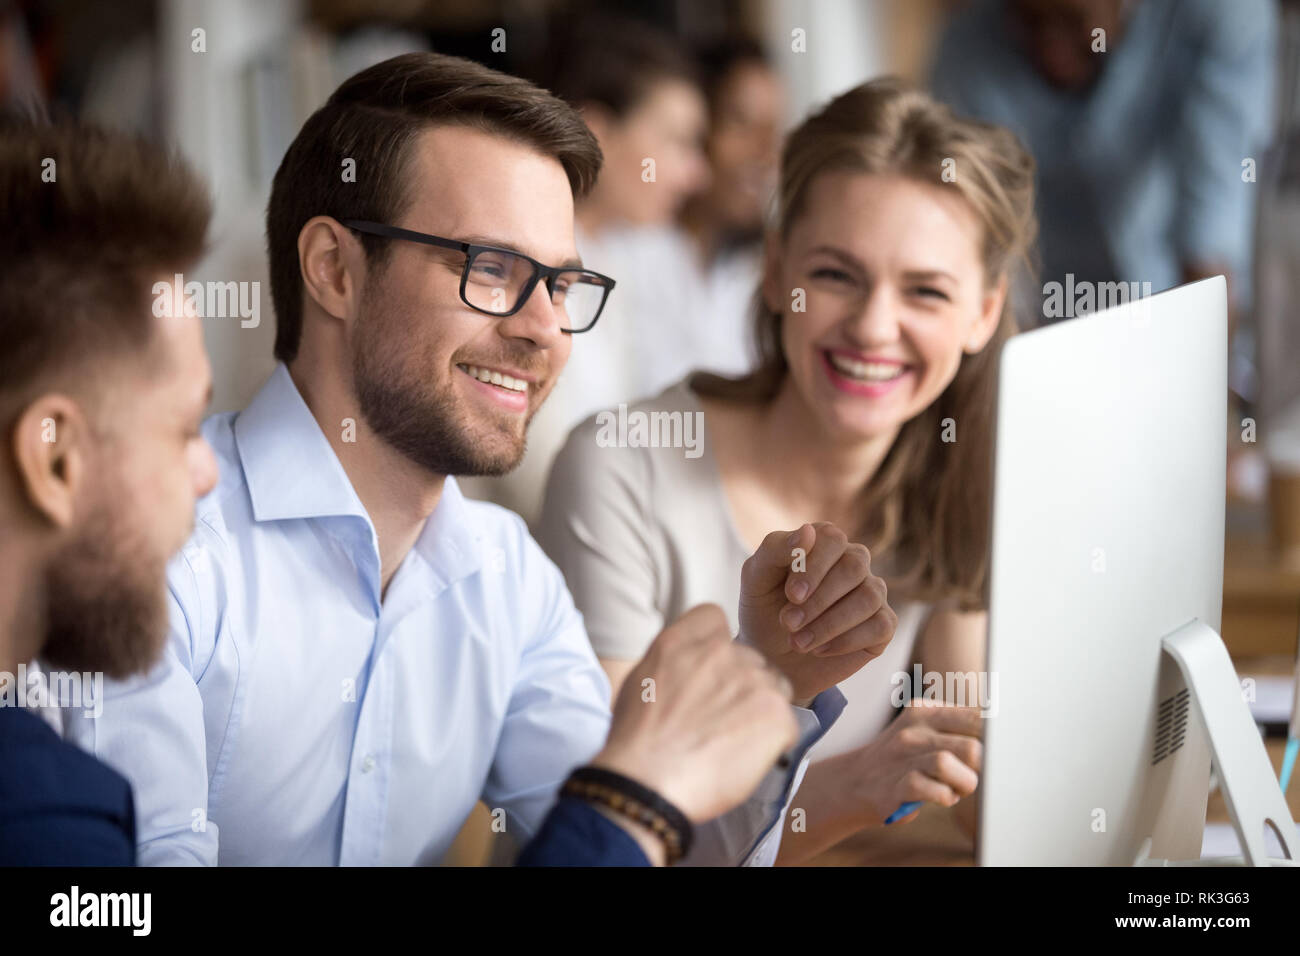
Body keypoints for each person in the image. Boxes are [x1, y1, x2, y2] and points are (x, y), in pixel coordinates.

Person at [62, 53, 897, 867]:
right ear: (333, 271)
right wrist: (633, 798)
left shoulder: (512, 584)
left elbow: (643, 847)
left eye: (562, 288)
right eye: (491, 269)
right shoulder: (156, 549)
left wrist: (768, 684)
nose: (544, 332)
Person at [538, 78, 1039, 863]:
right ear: (776, 275)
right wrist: (856, 789)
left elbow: (989, 806)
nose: (875, 326)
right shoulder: (620, 468)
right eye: (837, 275)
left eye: (926, 291)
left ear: (982, 312)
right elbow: (614, 838)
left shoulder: (949, 479)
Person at [0, 114, 218, 864]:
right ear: (55, 460)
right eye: (186, 429)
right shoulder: (47, 823)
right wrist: (610, 787)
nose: (207, 472)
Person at [930, 0, 1276, 325]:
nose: (1054, 53)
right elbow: (973, 244)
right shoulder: (966, 53)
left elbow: (1212, 238)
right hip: (1054, 310)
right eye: (1033, 21)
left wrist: (1200, 361)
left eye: (1074, 21)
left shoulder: (1220, 17)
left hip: (1176, 291)